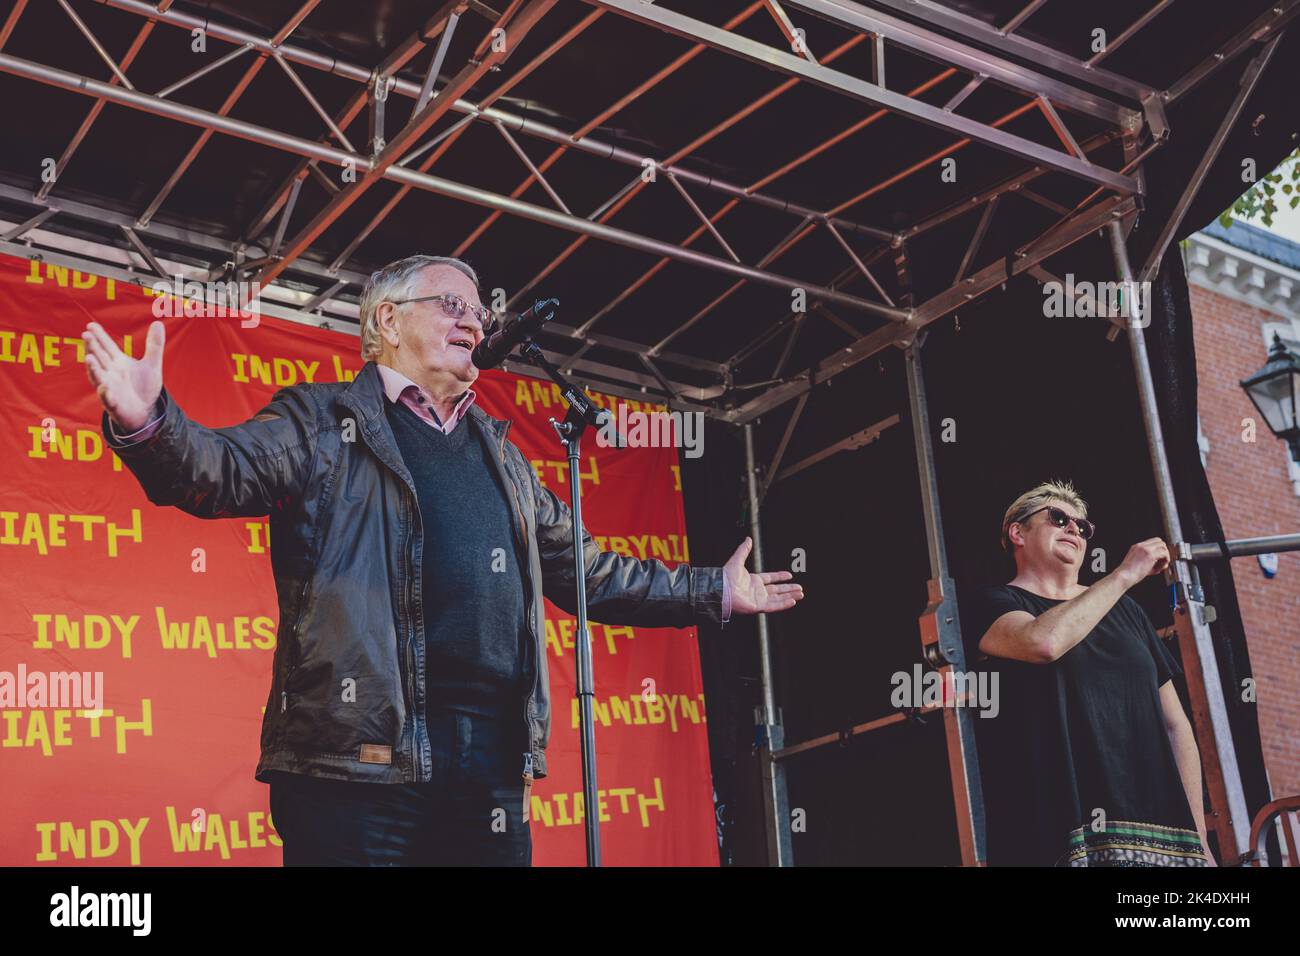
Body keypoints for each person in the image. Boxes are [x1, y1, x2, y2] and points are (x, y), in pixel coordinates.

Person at [83, 253, 804, 866]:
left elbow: (590, 571)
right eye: (450, 304)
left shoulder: (504, 458)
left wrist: (713, 590)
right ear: (387, 323)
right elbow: (220, 469)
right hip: (360, 763)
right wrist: (151, 423)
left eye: (480, 310)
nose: (475, 321)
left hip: (487, 767)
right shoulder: (323, 423)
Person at [963, 480, 1213, 867]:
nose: (1074, 530)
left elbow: (1176, 726)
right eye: (1059, 518)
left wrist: (1198, 840)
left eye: (1083, 527)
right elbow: (1042, 643)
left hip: (1159, 838)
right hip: (1062, 832)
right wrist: (1124, 575)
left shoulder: (1127, 612)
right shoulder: (993, 602)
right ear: (1017, 532)